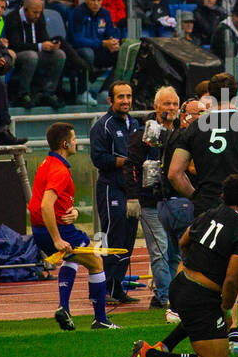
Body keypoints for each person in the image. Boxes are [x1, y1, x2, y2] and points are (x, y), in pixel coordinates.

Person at [167, 72, 238, 354]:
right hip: (237, 208)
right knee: (233, 270)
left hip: (206, 207)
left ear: (210, 96)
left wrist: (197, 195)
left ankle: (185, 316)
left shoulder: (195, 128)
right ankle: (233, 331)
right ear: (236, 94)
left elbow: (175, 174)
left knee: (198, 263)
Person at [122, 174, 238, 357]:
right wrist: (227, 310)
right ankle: (150, 355)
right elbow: (232, 279)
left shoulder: (209, 214)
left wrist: (196, 263)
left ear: (222, 196)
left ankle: (166, 346)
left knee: (203, 315)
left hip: (181, 284)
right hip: (199, 296)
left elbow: (184, 242)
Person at [28, 122, 118, 331]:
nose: (77, 143)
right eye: (75, 138)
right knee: (96, 262)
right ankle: (101, 320)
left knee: (72, 259)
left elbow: (49, 202)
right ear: (65, 143)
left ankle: (65, 308)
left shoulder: (46, 163)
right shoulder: (60, 170)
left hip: (40, 230)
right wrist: (58, 239)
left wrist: (74, 211)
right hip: (57, 230)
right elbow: (45, 205)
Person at [126, 86, 182, 310]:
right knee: (159, 251)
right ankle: (167, 297)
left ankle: (163, 296)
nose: (170, 108)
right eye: (166, 104)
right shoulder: (141, 135)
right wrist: (133, 197)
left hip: (176, 201)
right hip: (150, 202)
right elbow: (131, 167)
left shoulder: (181, 134)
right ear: (156, 106)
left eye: (174, 104)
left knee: (175, 252)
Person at [90, 80, 142, 304]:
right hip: (111, 188)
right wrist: (124, 162)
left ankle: (117, 287)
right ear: (111, 100)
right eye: (121, 97)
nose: (126, 101)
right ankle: (103, 288)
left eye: (129, 97)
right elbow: (98, 158)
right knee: (113, 235)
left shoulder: (135, 123)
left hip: (131, 189)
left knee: (129, 236)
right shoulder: (103, 125)